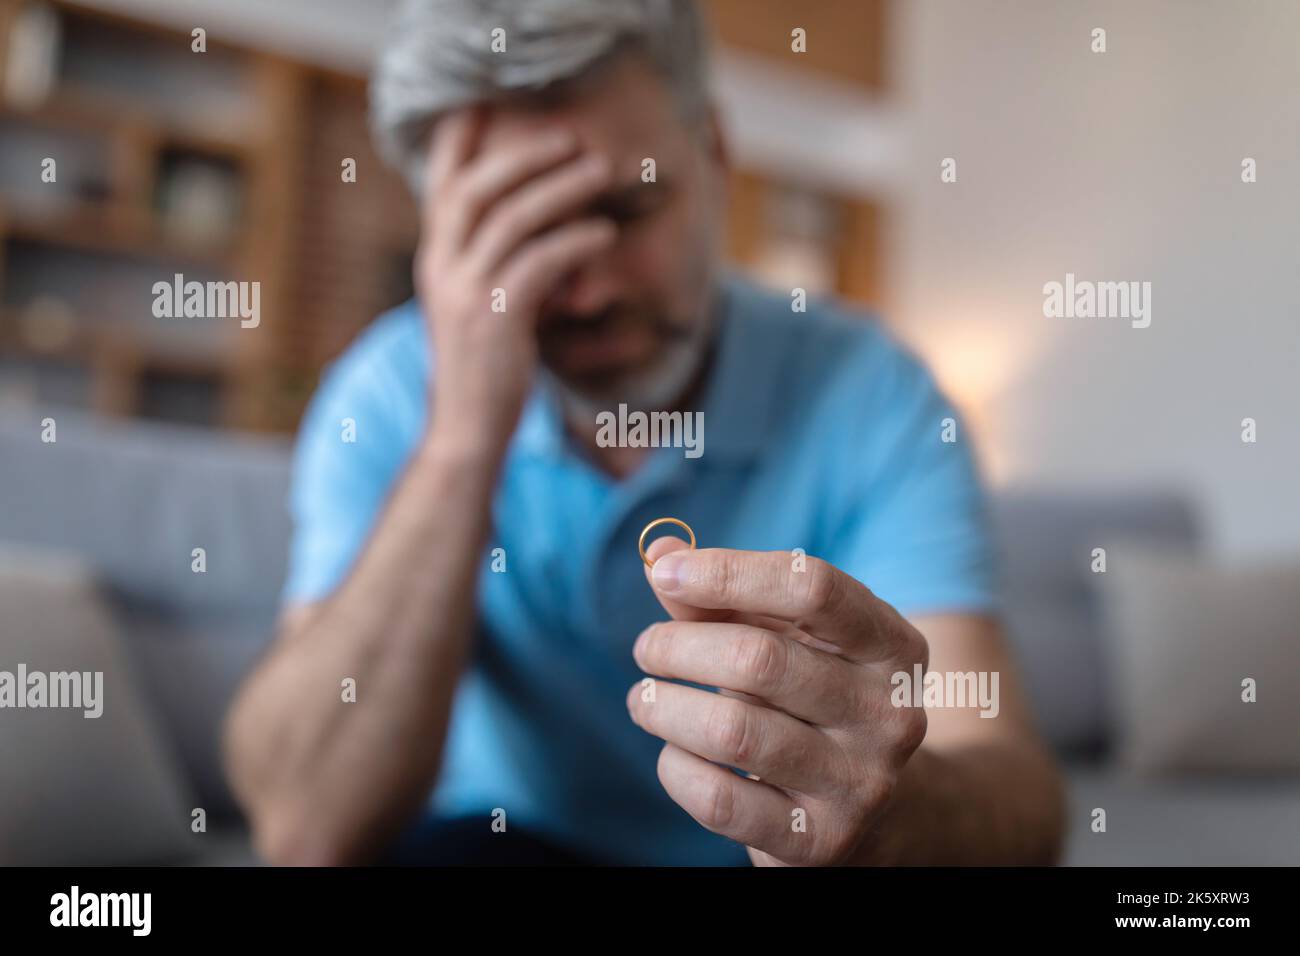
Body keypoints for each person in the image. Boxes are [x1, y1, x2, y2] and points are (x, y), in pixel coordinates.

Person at [223, 0, 1065, 866]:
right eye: (523, 236)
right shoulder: (388, 395)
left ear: (716, 156)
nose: (587, 291)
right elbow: (305, 829)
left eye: (628, 207)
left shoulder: (873, 395)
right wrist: (463, 437)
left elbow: (1014, 790)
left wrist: (882, 821)